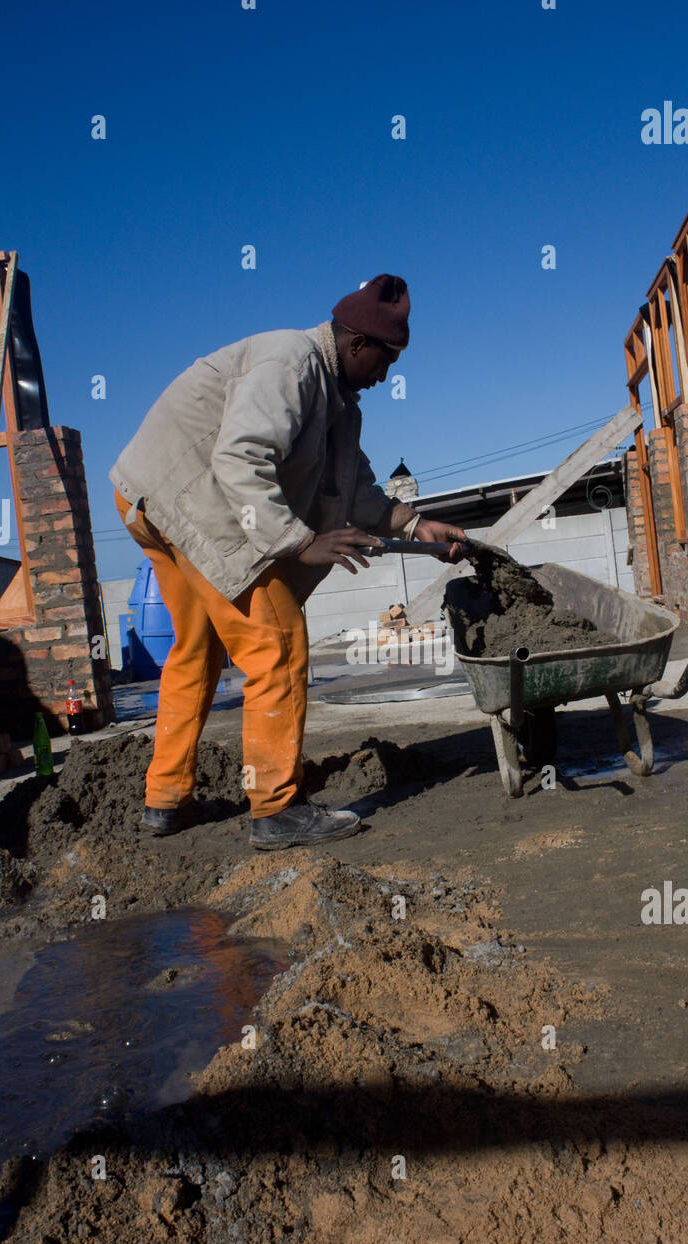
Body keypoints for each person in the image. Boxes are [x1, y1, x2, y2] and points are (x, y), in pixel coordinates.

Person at [110, 274, 466, 849]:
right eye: (384, 361)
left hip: (149, 496)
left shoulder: (336, 403)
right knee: (274, 640)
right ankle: (275, 809)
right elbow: (240, 458)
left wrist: (414, 523)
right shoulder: (292, 363)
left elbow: (353, 488)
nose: (385, 377)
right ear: (356, 344)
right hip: (189, 495)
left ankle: (166, 799)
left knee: (196, 648)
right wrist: (298, 542)